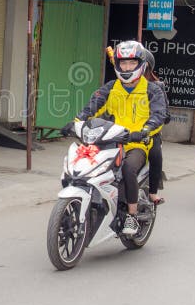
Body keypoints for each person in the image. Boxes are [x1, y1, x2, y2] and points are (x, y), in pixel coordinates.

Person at [63, 40, 167, 236]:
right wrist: (76, 122)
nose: (127, 67)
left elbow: (159, 116)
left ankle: (132, 215)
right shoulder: (111, 87)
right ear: (117, 65)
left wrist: (145, 130)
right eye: (123, 63)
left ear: (141, 64)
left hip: (138, 143)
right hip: (109, 140)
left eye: (131, 63)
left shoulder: (152, 90)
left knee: (127, 168)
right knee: (85, 165)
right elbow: (92, 107)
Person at [141, 48, 170, 204]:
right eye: (125, 63)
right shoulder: (118, 86)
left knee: (155, 154)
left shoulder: (157, 87)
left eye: (135, 64)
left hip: (149, 132)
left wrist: (151, 124)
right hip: (123, 131)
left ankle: (152, 192)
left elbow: (165, 115)